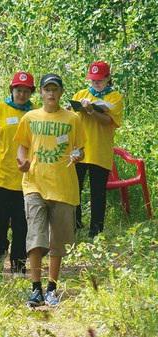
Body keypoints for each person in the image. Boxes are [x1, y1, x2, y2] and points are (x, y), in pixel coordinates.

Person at [14, 74, 85, 306]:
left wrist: (77, 155)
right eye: (47, 89)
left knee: (58, 241)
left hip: (63, 187)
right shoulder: (30, 117)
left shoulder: (73, 119)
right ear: (41, 93)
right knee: (35, 236)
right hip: (34, 184)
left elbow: (80, 150)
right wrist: (22, 162)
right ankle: (36, 289)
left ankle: (52, 288)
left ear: (61, 92)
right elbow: (22, 148)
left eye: (55, 89)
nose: (51, 93)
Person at [0, 71, 36, 275]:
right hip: (1, 177)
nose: (21, 94)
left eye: (26, 91)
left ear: (31, 93)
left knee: (22, 226)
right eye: (18, 90)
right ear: (11, 90)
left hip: (26, 181)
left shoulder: (35, 114)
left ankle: (19, 264)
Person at [72, 61, 124, 237]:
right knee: (74, 189)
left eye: (100, 80)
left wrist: (92, 111)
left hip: (100, 151)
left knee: (98, 192)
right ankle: (75, 224)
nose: (96, 83)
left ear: (108, 78)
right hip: (79, 150)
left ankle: (96, 230)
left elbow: (109, 122)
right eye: (93, 80)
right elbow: (72, 118)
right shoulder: (81, 94)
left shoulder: (114, 97)